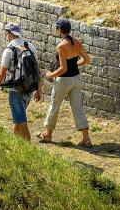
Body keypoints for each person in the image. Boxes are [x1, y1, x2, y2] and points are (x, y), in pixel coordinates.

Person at [39, 17, 92, 146]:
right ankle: (86, 138)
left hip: (64, 81)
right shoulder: (77, 42)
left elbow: (63, 68)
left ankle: (48, 135)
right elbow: (87, 59)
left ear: (60, 30)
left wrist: (51, 74)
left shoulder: (61, 46)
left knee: (54, 105)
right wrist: (76, 65)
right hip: (76, 79)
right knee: (78, 108)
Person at [0, 23, 42, 140]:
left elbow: (1, 74)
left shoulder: (9, 50)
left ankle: (29, 150)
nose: (6, 36)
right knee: (18, 119)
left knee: (22, 121)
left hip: (16, 90)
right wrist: (38, 90)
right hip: (29, 88)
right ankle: (15, 145)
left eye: (7, 34)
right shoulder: (30, 46)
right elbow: (37, 71)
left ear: (9, 34)